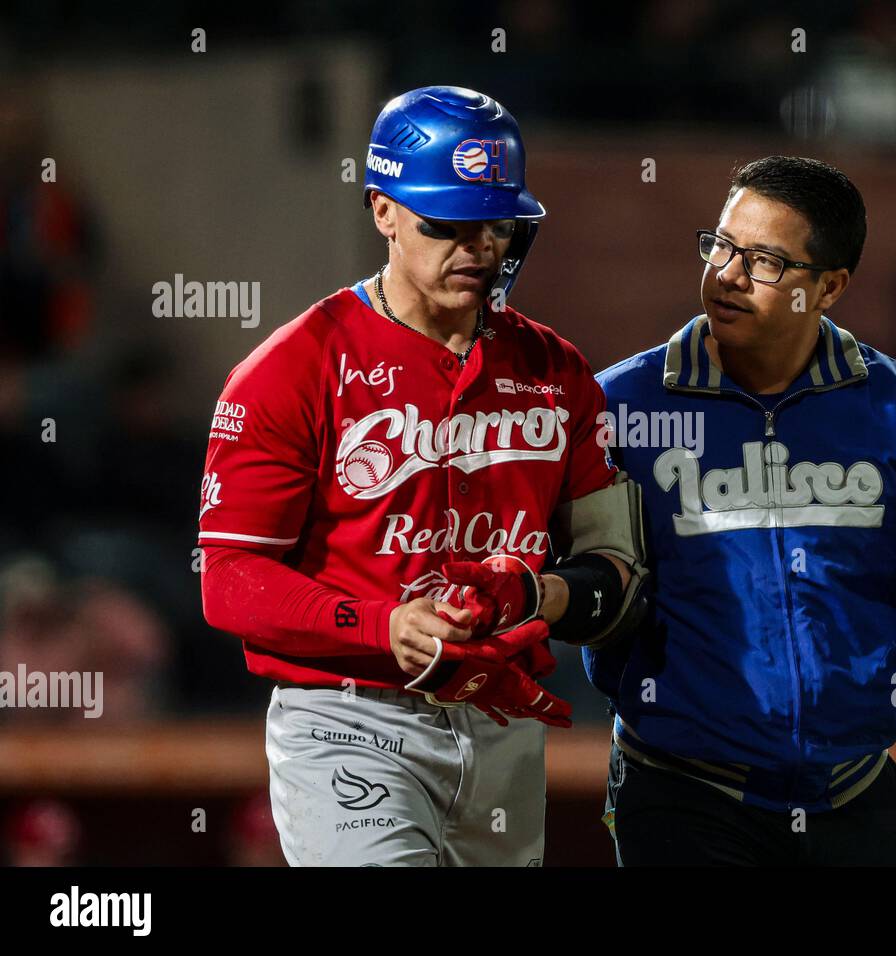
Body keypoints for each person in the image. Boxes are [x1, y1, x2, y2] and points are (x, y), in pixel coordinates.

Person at [588, 156, 896, 866]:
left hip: (855, 790)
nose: (726, 274)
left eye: (763, 261)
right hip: (680, 794)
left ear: (829, 287)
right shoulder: (620, 408)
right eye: (721, 246)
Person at [198, 86, 646, 867]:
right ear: (383, 211)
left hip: (503, 723)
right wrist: (382, 626)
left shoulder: (558, 370)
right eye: (447, 223)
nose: (477, 248)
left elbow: (619, 578)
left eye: (496, 225)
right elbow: (229, 580)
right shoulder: (291, 369)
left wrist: (534, 593)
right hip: (348, 721)